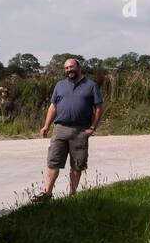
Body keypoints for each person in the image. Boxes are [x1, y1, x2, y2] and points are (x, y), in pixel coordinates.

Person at [39, 57, 103, 198]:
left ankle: (72, 195)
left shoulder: (91, 85)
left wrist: (93, 127)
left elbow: (98, 108)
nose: (69, 70)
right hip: (60, 129)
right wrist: (46, 126)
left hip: (80, 130)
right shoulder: (60, 85)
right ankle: (47, 193)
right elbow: (53, 107)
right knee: (53, 162)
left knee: (76, 165)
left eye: (72, 67)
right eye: (67, 68)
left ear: (79, 67)